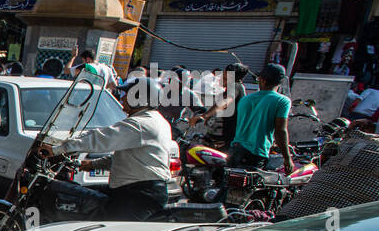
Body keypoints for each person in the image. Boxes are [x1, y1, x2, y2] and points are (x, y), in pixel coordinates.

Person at [37, 76, 174, 220]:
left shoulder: (141, 124)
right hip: (139, 190)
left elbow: (100, 138)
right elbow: (130, 157)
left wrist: (57, 148)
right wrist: (93, 164)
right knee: (87, 197)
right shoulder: (156, 120)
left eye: (127, 94)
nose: (123, 97)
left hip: (139, 195)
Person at [229, 63, 294, 173]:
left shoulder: (246, 99)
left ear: (262, 80)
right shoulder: (282, 101)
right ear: (280, 82)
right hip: (256, 153)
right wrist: (287, 158)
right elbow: (280, 131)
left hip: (235, 149)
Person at [189, 63, 248, 143]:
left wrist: (204, 116)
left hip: (224, 139)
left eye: (224, 74)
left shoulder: (235, 86)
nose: (220, 77)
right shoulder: (234, 88)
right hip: (220, 136)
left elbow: (225, 101)